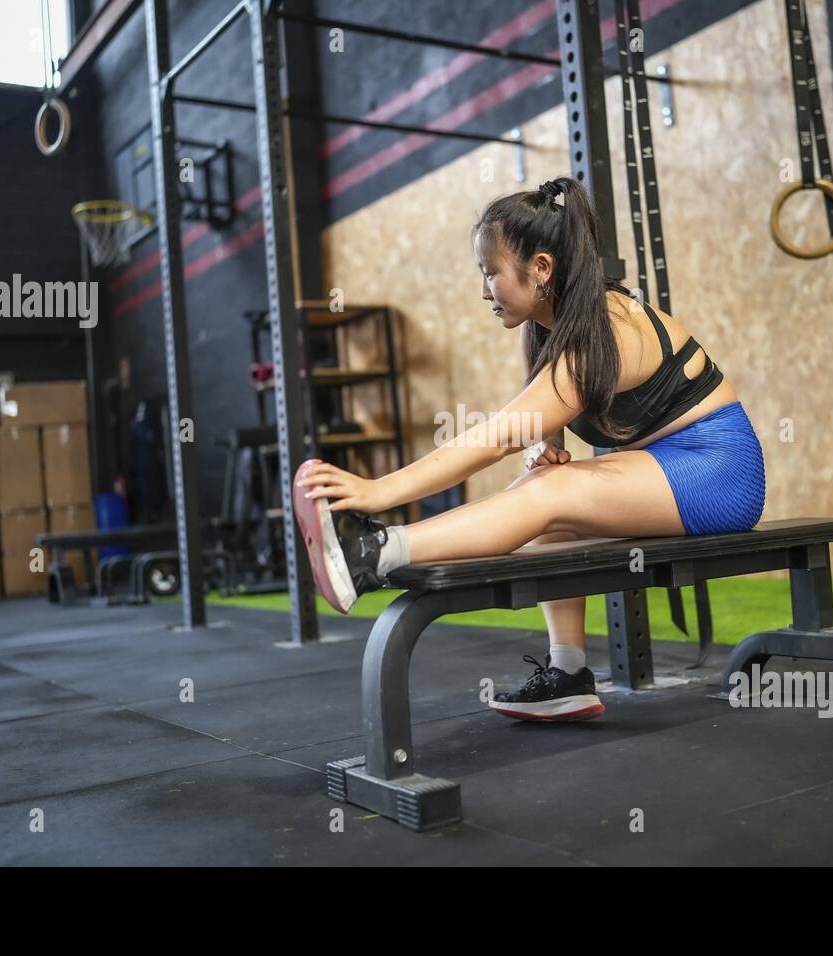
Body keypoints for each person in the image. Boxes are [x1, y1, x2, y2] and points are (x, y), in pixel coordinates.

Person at [292, 176, 765, 721]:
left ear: (540, 269)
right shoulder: (546, 329)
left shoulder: (605, 327)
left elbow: (497, 436)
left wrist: (376, 490)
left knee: (551, 494)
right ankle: (566, 675)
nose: (483, 290)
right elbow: (543, 432)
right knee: (546, 495)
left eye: (490, 273)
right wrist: (546, 457)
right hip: (662, 466)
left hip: (720, 472)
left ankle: (376, 553)